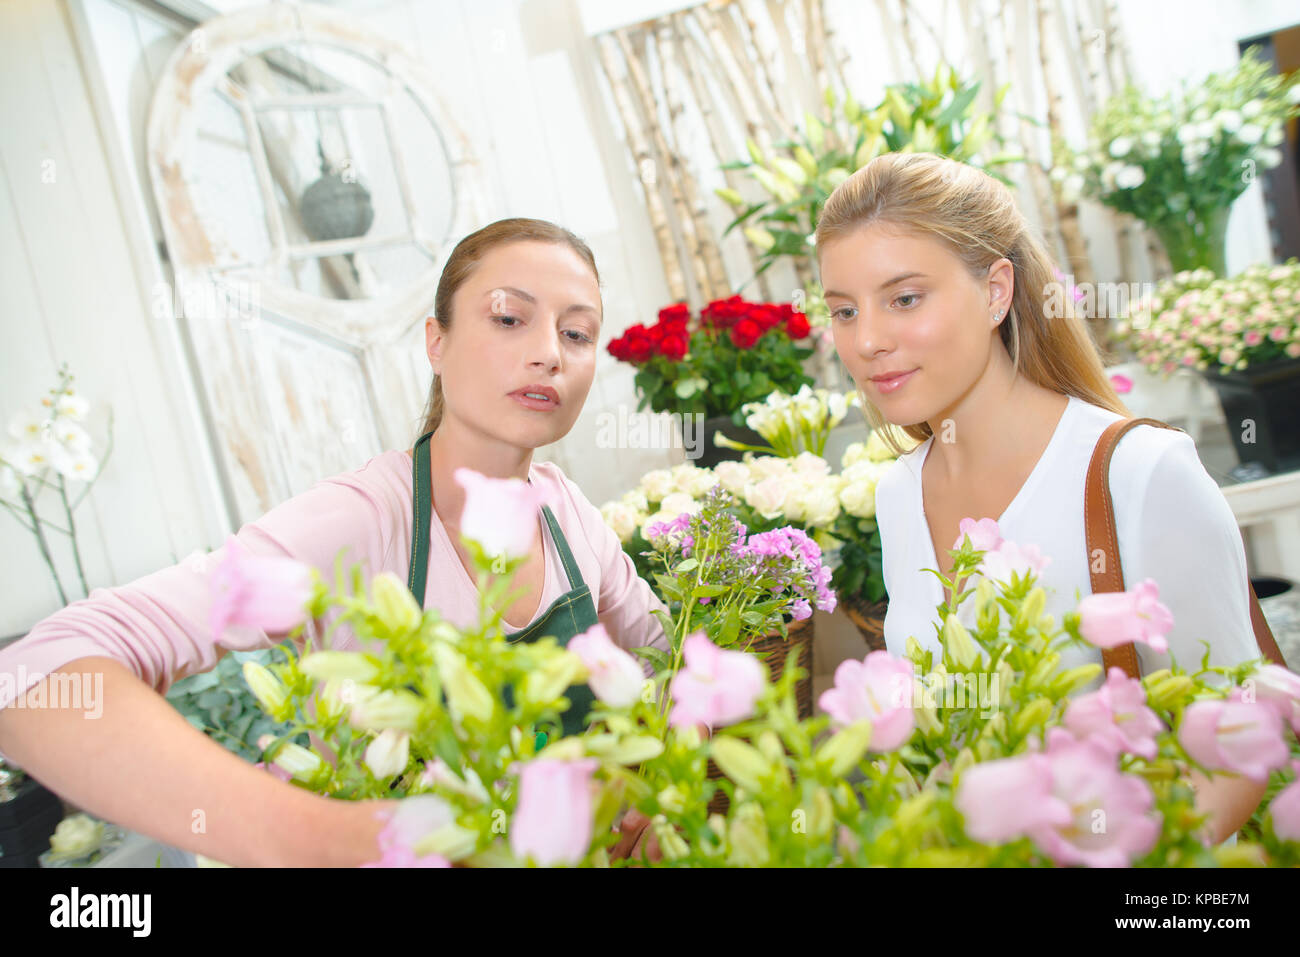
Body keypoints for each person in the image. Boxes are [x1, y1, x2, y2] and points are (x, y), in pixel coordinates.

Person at [0, 217, 669, 866]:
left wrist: (664, 763)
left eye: (576, 332)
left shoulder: (568, 513)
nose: (550, 351)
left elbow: (666, 660)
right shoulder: (363, 521)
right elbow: (31, 674)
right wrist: (326, 839)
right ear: (436, 342)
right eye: (508, 317)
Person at [815, 151, 1268, 845]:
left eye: (905, 298)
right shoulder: (898, 496)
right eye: (844, 311)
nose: (868, 339)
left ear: (997, 290)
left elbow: (1243, 737)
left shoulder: (1141, 472)